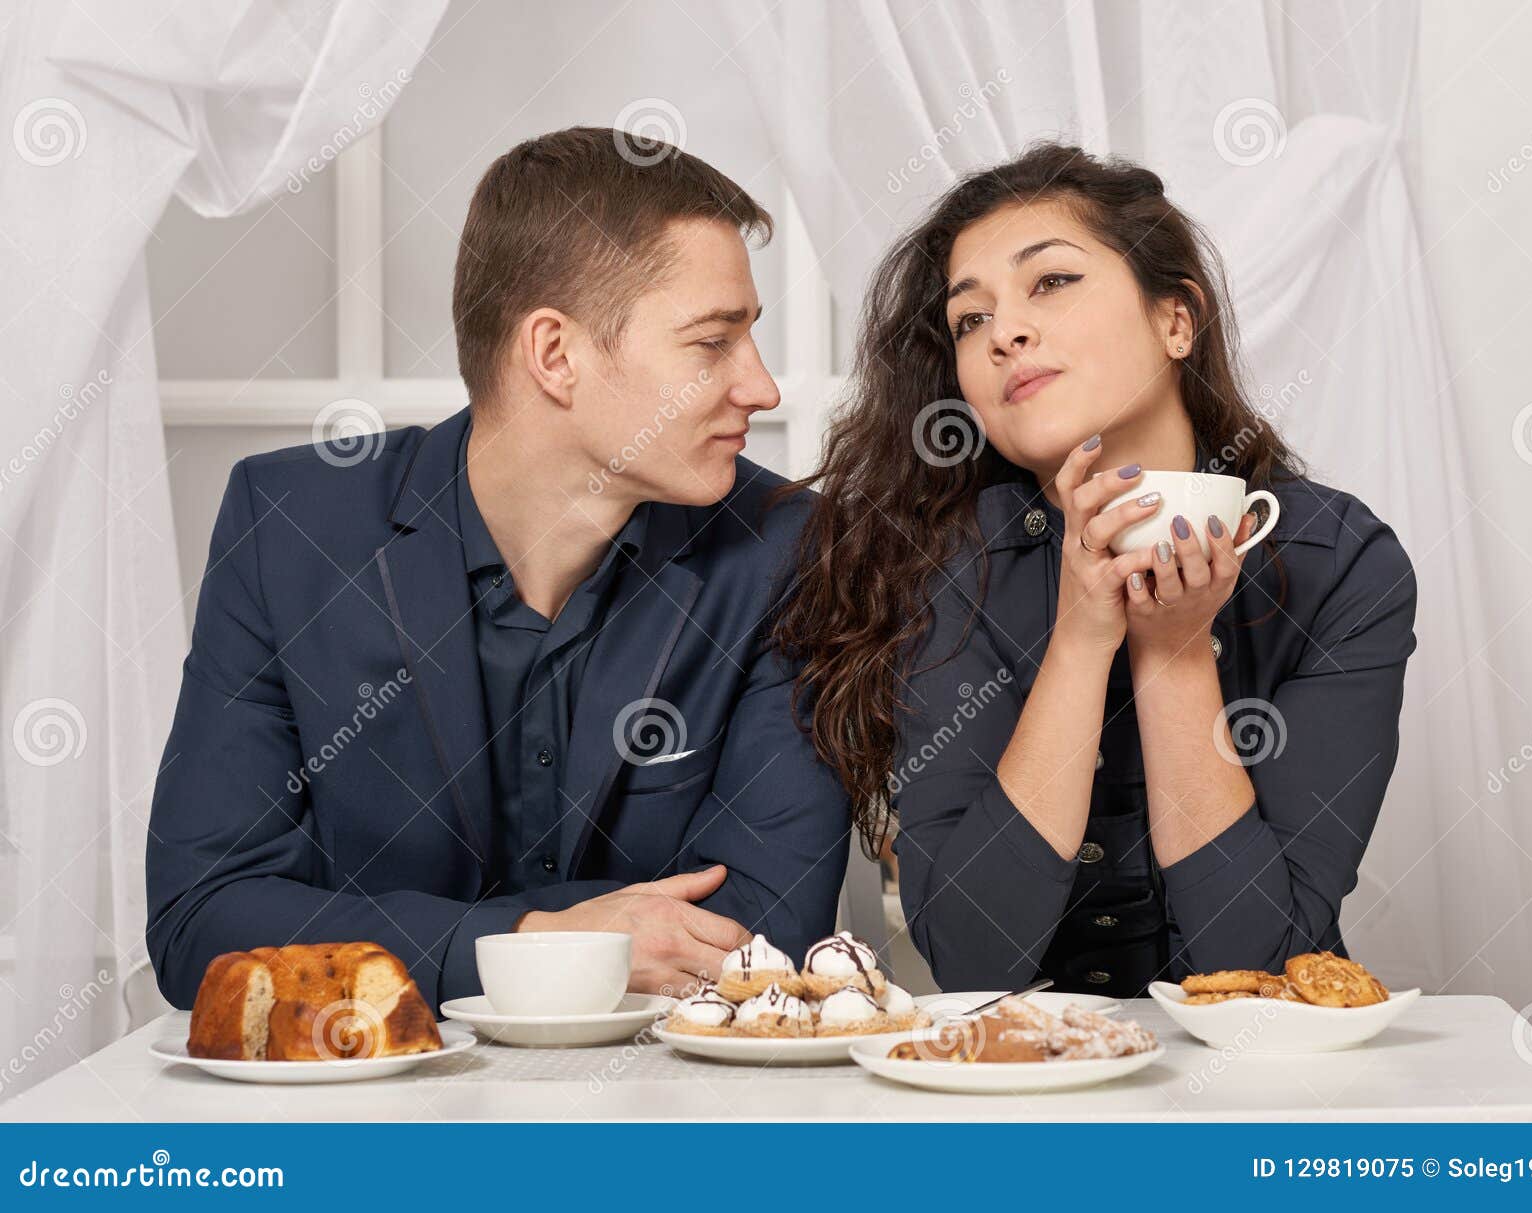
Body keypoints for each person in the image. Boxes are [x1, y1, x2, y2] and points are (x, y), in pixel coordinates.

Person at [146, 128, 849, 1013]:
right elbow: (204, 923)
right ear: (555, 355)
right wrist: (541, 945)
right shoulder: (291, 529)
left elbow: (764, 939)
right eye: (713, 343)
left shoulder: (789, 549)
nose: (762, 387)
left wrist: (388, 937)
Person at [771, 143, 1417, 997]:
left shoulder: (1342, 564)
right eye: (970, 320)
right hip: (1031, 1092)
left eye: (1052, 282)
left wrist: (1175, 653)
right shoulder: (945, 568)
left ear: (1175, 320)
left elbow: (1256, 969)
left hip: (1257, 1099)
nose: (1005, 333)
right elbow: (972, 959)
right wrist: (1081, 637)